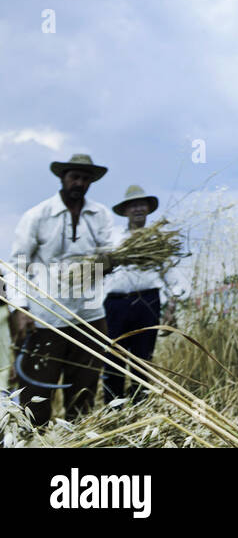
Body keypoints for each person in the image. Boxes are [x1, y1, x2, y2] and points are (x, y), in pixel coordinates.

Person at [5, 154, 116, 426]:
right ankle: (33, 439)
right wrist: (20, 308)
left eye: (85, 178)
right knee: (36, 392)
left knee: (84, 388)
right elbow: (17, 264)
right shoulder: (38, 215)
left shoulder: (100, 215)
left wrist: (108, 261)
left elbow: (111, 253)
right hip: (46, 316)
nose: (79, 183)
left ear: (91, 182)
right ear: (62, 178)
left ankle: (78, 439)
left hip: (88, 314)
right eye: (74, 177)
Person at [100, 185, 187, 404]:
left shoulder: (158, 242)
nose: (138, 209)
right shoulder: (114, 239)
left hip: (148, 302)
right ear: (126, 210)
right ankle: (113, 407)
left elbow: (172, 276)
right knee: (114, 355)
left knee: (143, 357)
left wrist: (171, 307)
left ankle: (140, 406)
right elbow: (100, 269)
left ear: (148, 209)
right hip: (117, 304)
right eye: (133, 205)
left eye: (142, 205)